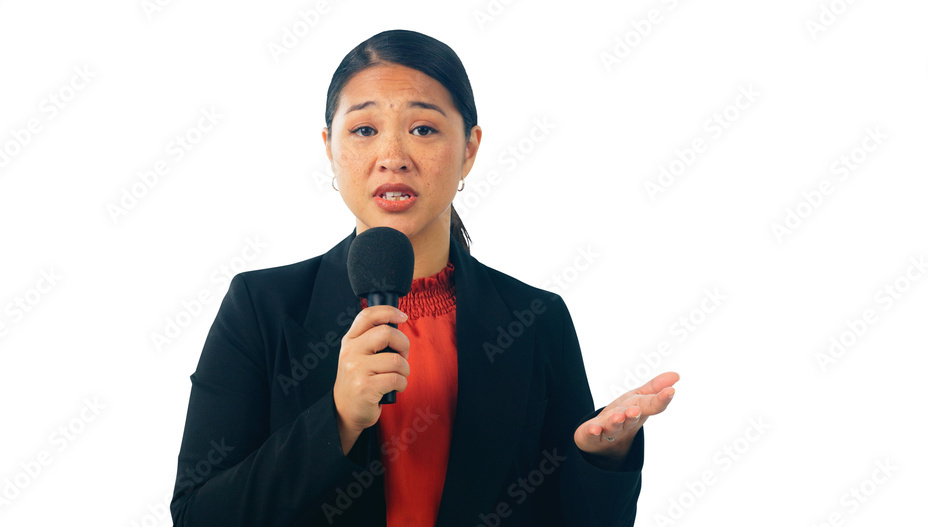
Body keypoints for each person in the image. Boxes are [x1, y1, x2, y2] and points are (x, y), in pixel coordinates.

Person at [170, 29, 679, 526]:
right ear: (330, 147)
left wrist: (601, 457)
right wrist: (338, 419)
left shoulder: (535, 319)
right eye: (364, 130)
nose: (393, 157)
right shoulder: (260, 308)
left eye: (424, 129)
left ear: (470, 150)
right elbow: (197, 515)